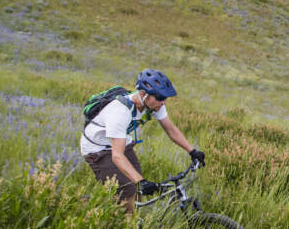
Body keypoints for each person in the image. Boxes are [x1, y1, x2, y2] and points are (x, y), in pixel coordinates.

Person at [81, 69, 204, 213]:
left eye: (165, 98)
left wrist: (192, 151)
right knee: (128, 192)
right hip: (97, 149)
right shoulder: (120, 112)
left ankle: (122, 213)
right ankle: (97, 213)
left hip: (122, 142)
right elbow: (117, 156)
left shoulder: (154, 105)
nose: (163, 102)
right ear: (142, 94)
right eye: (160, 97)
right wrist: (141, 181)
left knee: (136, 190)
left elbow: (170, 129)